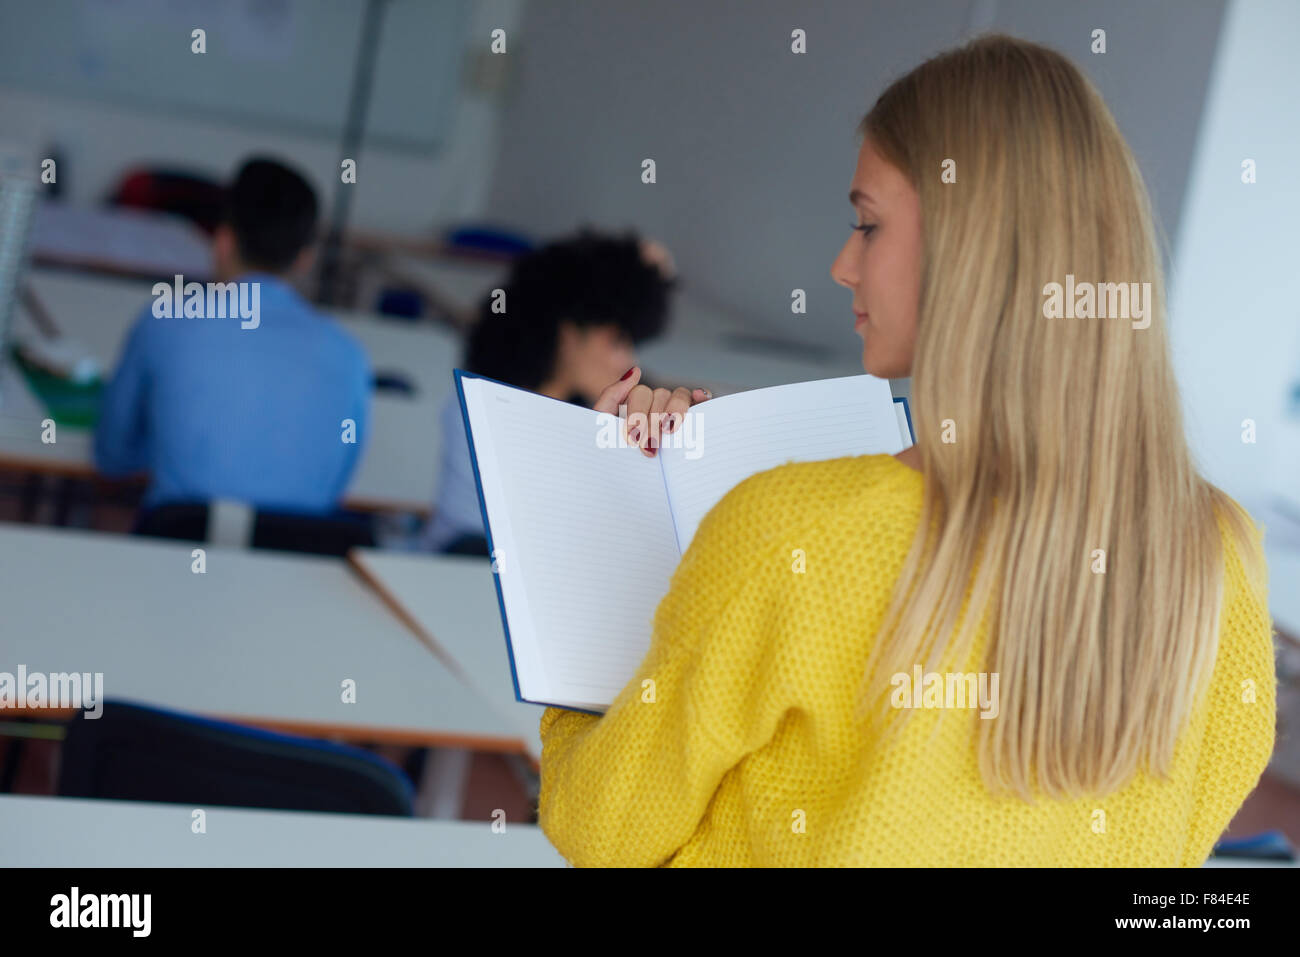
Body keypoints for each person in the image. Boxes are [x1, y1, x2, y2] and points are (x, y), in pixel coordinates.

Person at [536, 34, 1277, 866]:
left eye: (868, 225)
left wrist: (601, 558)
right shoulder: (1222, 557)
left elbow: (603, 827)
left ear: (973, 250)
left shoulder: (793, 534)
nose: (842, 263)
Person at [95, 157, 371, 514]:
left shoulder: (165, 320)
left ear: (222, 242)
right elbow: (333, 487)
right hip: (292, 560)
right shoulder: (349, 355)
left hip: (174, 551)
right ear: (305, 258)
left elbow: (112, 457)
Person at [423, 228, 691, 555]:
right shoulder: (486, 408)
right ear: (567, 332)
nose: (628, 359)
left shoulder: (585, 406)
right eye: (617, 341)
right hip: (461, 567)